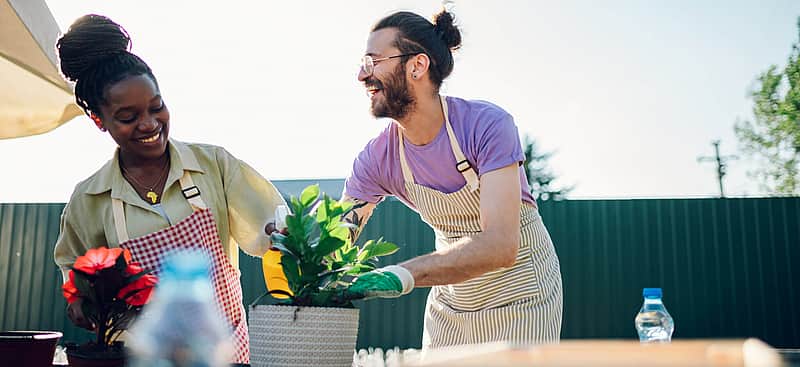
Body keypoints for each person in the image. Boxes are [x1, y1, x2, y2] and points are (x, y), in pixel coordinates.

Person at [52, 14, 285, 365]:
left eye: (156, 107)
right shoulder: (89, 199)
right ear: (99, 120)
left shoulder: (214, 166)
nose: (149, 124)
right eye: (128, 117)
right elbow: (75, 271)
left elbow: (274, 227)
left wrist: (281, 235)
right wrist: (79, 304)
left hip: (221, 352)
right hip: (138, 357)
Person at [341, 9, 564, 349]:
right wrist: (292, 244)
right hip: (452, 303)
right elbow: (336, 237)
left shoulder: (486, 125)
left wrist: (403, 274)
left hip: (521, 293)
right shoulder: (377, 159)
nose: (361, 74)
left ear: (417, 66)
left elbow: (500, 246)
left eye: (373, 62)